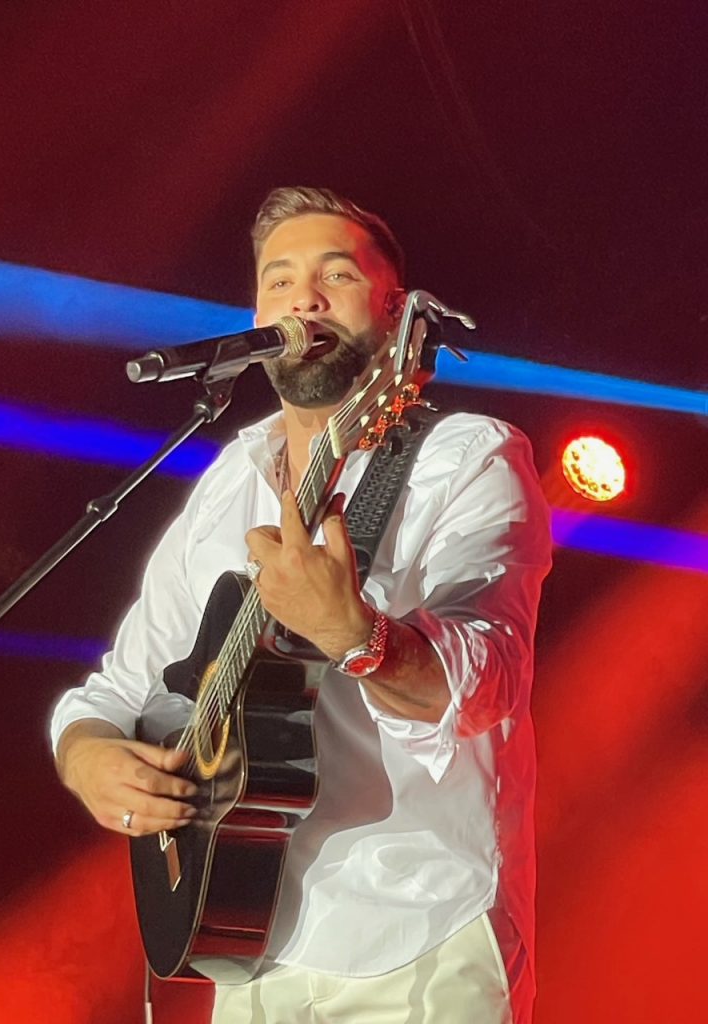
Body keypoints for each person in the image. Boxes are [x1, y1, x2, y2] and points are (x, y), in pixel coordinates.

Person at [51, 186, 552, 1023]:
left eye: (336, 275)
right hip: (248, 942)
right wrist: (87, 756)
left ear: (396, 316)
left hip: (419, 929)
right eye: (278, 280)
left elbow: (492, 676)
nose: (302, 297)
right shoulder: (226, 480)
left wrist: (357, 636)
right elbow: (115, 690)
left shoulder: (463, 456)